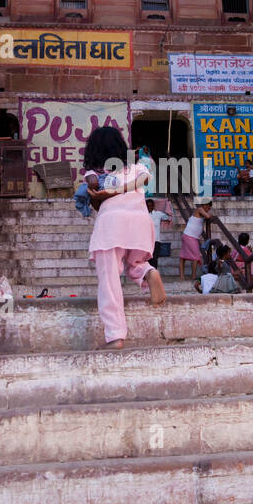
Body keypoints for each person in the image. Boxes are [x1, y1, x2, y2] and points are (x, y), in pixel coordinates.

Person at [85, 126, 166, 349]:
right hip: (140, 221)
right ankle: (149, 272)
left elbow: (93, 195)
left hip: (111, 224)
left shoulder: (96, 174)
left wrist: (108, 193)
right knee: (135, 263)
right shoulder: (137, 167)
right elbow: (144, 180)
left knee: (109, 281)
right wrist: (123, 190)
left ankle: (115, 336)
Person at [178, 199, 213, 279]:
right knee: (195, 256)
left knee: (183, 257)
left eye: (209, 206)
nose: (207, 207)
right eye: (206, 205)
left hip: (188, 235)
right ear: (202, 205)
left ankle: (182, 277)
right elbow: (208, 216)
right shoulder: (199, 209)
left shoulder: (202, 211)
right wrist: (210, 214)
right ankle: (193, 276)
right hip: (190, 236)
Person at [146, 197, 173, 269]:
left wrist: (168, 204)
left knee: (154, 259)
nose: (150, 207)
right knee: (147, 259)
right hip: (146, 241)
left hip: (156, 241)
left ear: (153, 206)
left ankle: (153, 275)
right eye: (148, 206)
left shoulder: (158, 214)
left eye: (151, 205)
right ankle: (146, 276)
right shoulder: (143, 215)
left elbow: (169, 216)